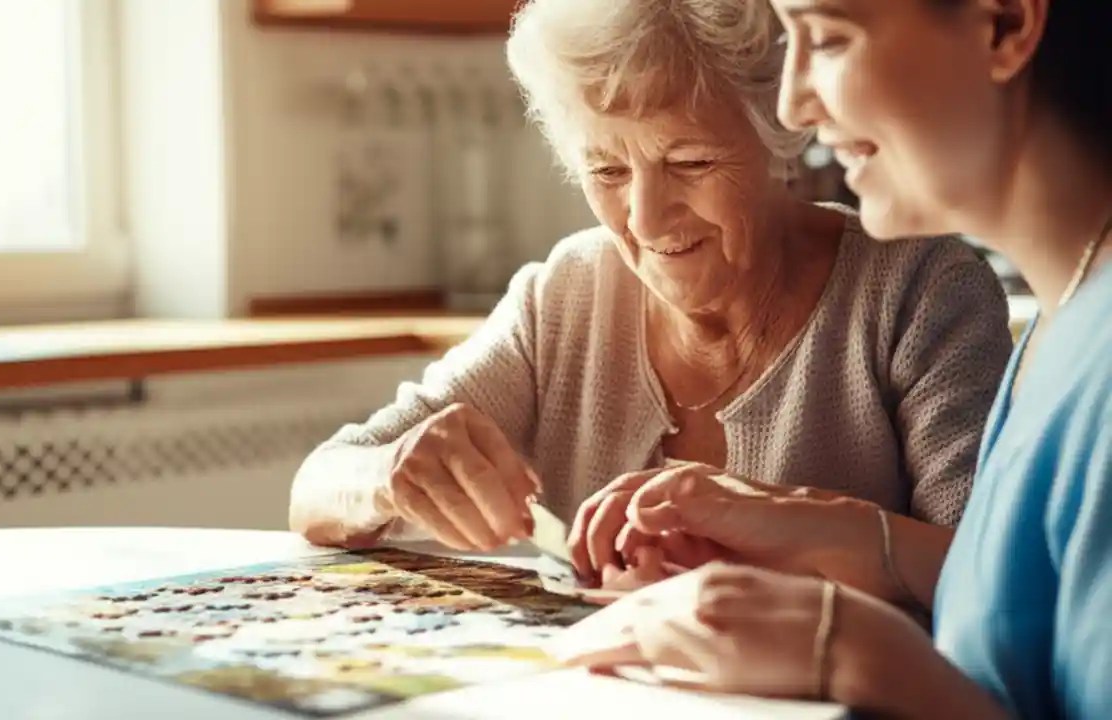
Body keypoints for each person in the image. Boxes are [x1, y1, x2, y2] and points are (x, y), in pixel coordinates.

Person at [286, 0, 1012, 573]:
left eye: (690, 162)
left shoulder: (918, 290)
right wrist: (387, 474)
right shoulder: (567, 294)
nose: (644, 217)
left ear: (777, 135)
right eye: (606, 171)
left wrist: (786, 524)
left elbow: (989, 583)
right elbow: (316, 489)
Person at [555, 1, 1112, 718]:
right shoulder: (1065, 318)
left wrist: (855, 652)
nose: (791, 104)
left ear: (1004, 24)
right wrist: (823, 528)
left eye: (828, 37)